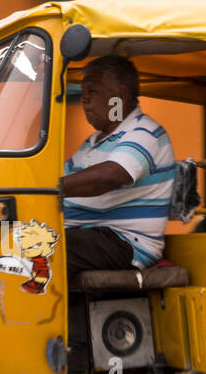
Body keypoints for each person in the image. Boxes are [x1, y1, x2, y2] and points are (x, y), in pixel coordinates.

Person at [60, 55, 175, 277]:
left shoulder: (145, 132)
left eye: (92, 91)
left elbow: (110, 175)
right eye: (83, 91)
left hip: (124, 242)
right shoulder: (92, 142)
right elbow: (59, 179)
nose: (83, 99)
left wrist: (49, 187)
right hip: (87, 236)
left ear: (119, 96)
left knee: (33, 248)